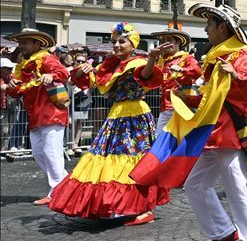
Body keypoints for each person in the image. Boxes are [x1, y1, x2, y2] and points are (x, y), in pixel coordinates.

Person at [131, 4, 247, 241]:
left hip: (232, 133)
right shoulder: (215, 56)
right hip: (211, 132)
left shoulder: (241, 54)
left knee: (237, 187)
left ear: (222, 27)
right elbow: (211, 95)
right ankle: (223, 232)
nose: (205, 29)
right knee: (195, 185)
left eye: (209, 24)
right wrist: (191, 97)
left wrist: (237, 75)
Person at [49, 23, 165, 223]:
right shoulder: (109, 65)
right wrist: (79, 70)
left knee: (134, 160)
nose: (117, 45)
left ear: (132, 43)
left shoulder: (138, 62)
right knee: (106, 158)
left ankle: (144, 210)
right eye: (114, 42)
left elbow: (145, 75)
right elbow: (86, 80)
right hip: (115, 115)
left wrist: (153, 58)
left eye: (122, 41)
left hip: (135, 115)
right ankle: (118, 205)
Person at [4, 29, 70, 203]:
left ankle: (58, 192)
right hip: (35, 116)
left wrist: (50, 74)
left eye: (25, 43)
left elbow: (63, 73)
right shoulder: (22, 66)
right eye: (20, 43)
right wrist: (12, 85)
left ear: (37, 44)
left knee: (51, 153)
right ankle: (65, 186)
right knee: (39, 153)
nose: (21, 46)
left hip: (52, 114)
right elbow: (17, 93)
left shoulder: (47, 59)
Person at [147, 28, 202, 133]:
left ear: (178, 42)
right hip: (165, 108)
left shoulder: (186, 58)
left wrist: (182, 69)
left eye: (169, 40)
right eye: (163, 41)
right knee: (160, 139)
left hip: (182, 107)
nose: (165, 43)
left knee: (182, 139)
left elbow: (198, 71)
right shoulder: (162, 61)